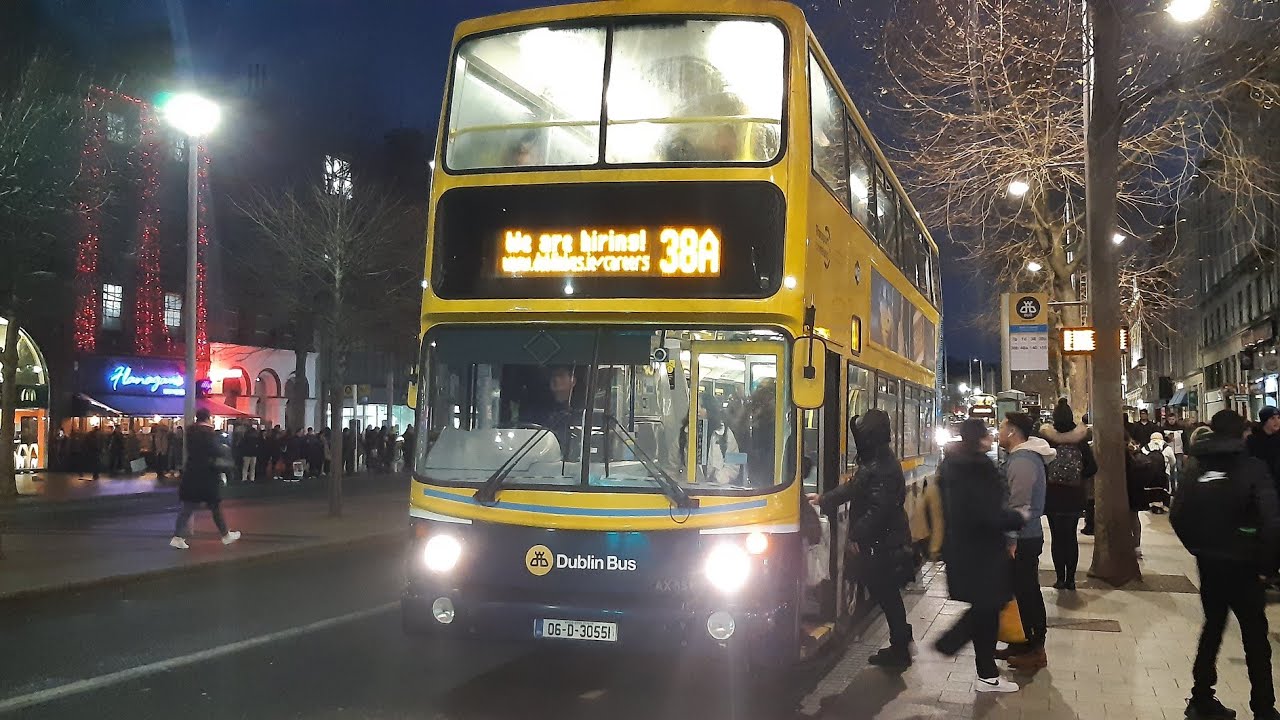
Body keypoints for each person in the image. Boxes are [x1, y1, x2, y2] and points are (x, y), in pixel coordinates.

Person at [1171, 410, 1279, 720]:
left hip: (1211, 564)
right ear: (1242, 434)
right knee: (1255, 637)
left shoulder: (1196, 467)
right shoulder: (1252, 469)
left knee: (1213, 628)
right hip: (1245, 565)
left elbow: (1178, 515)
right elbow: (1271, 521)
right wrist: (1267, 565)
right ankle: (1263, 707)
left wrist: (1199, 548)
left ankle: (1201, 697)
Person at [812, 409, 915, 667]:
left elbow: (879, 508)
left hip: (882, 542)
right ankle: (901, 643)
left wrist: (858, 535)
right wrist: (824, 499)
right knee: (886, 592)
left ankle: (901, 647)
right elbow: (855, 487)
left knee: (886, 592)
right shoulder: (877, 461)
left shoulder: (881, 465)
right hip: (883, 540)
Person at [933, 419, 1026, 693]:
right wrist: (1016, 518)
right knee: (989, 606)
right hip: (982, 552)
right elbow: (986, 513)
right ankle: (954, 647)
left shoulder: (952, 464)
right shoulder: (978, 467)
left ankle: (986, 673)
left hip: (964, 550)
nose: (991, 438)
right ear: (980, 439)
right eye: (987, 434)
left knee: (988, 608)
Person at [996, 411, 1054, 671]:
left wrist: (1010, 539)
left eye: (1001, 427)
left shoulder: (1022, 461)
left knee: (1027, 592)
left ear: (1012, 432)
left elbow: (1019, 504)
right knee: (1022, 591)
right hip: (1025, 536)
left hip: (1023, 538)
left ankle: (1035, 648)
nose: (998, 433)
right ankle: (1021, 641)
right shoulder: (1023, 458)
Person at [1039, 399, 1096, 591]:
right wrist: (1079, 476)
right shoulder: (1080, 440)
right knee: (1070, 537)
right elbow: (1092, 467)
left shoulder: (1047, 438)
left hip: (1053, 495)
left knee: (1057, 537)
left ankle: (1060, 579)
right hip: (1074, 495)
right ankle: (1071, 579)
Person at [169, 409, 241, 549]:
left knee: (188, 507)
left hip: (192, 474)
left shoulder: (191, 433)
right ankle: (225, 535)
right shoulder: (207, 433)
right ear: (208, 418)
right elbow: (215, 450)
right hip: (206, 475)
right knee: (214, 505)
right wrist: (223, 448)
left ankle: (178, 536)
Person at [1145, 431, 1175, 513]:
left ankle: (1153, 505)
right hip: (1164, 473)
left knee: (1152, 489)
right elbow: (1173, 461)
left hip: (1149, 474)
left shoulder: (1145, 448)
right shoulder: (1167, 448)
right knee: (1165, 489)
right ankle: (1164, 506)